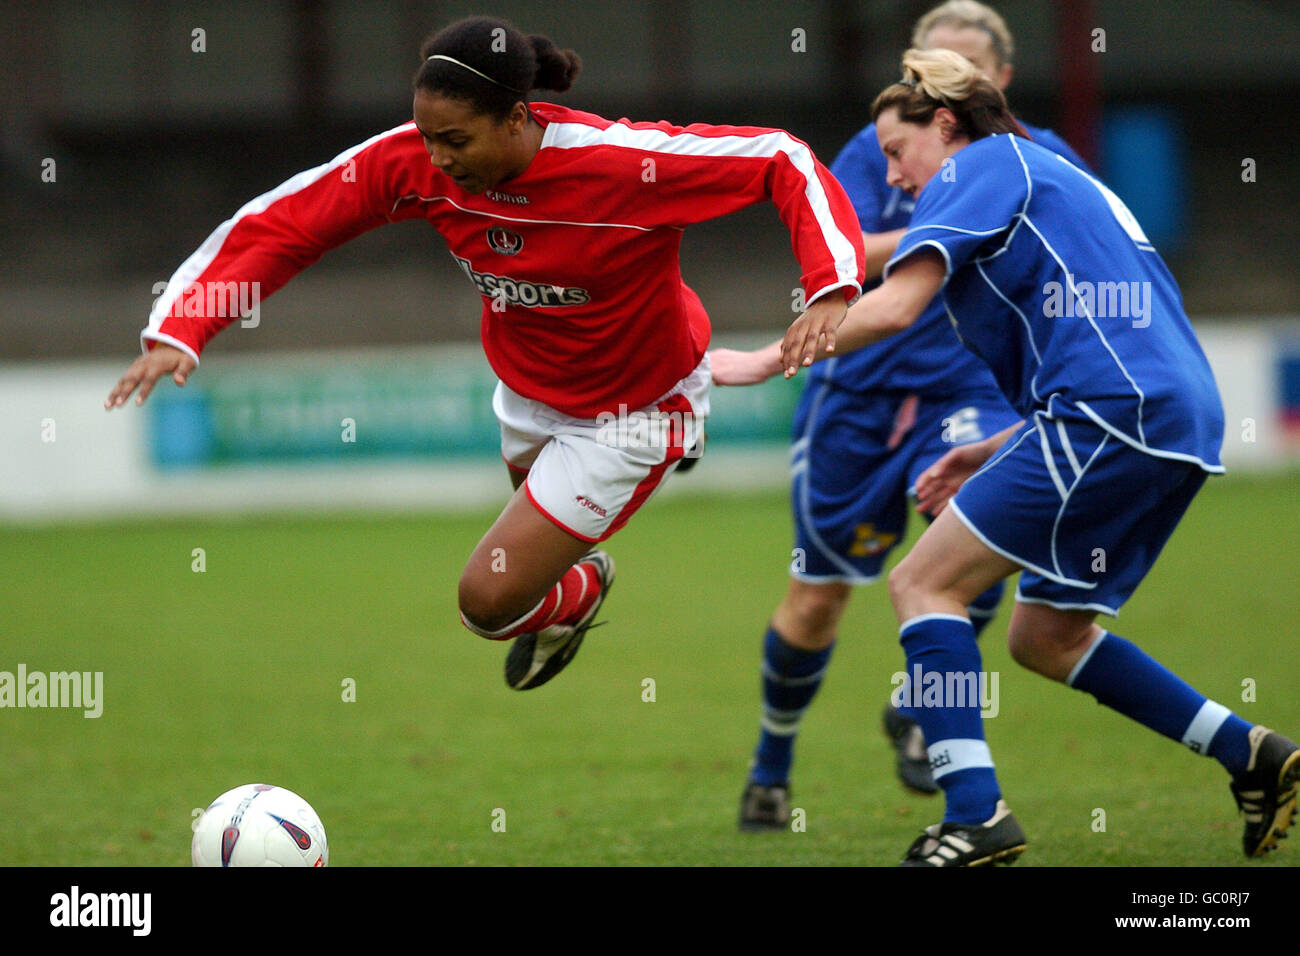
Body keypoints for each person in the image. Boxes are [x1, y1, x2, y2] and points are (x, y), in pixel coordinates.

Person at [103, 16, 865, 692]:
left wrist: (830, 284)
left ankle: (579, 587)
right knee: (521, 583)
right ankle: (576, 584)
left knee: (487, 602)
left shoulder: (621, 164)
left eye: (455, 140)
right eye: (427, 137)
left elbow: (781, 158)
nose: (436, 160)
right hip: (528, 398)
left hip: (637, 412)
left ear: (518, 119)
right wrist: (183, 325)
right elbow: (290, 221)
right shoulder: (416, 161)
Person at [731, 46, 1299, 865]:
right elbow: (1089, 340)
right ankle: (1249, 751)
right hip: (1166, 418)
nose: (892, 177)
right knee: (1046, 635)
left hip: (1113, 413)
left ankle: (974, 813)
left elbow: (892, 308)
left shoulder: (982, 167)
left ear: (948, 125)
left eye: (898, 151)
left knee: (923, 582)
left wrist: (761, 360)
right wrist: (995, 448)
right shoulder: (1037, 176)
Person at [713, 0, 1091, 830]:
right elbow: (835, 242)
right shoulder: (874, 148)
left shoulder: (1043, 157)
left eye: (958, 71)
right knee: (817, 598)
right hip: (857, 397)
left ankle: (928, 710)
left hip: (969, 391)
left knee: (978, 540)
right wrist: (944, 227)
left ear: (998, 81)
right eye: (922, 70)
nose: (935, 88)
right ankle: (771, 763)